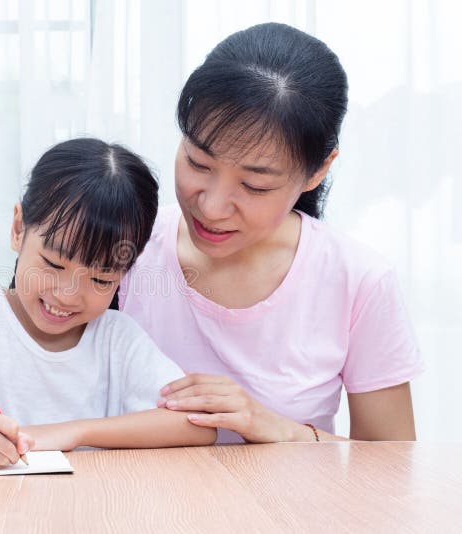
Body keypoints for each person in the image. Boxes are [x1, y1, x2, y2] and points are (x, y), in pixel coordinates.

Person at [124, 22, 424, 443]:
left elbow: (394, 468)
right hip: (131, 505)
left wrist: (273, 428)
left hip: (289, 510)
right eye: (197, 163)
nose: (210, 207)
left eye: (254, 185)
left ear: (317, 170)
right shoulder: (127, 241)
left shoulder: (358, 280)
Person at [0, 138, 216, 470]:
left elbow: (197, 424)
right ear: (18, 228)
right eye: (54, 265)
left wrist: (74, 432)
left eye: (100, 280)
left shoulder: (115, 337)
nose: (68, 295)